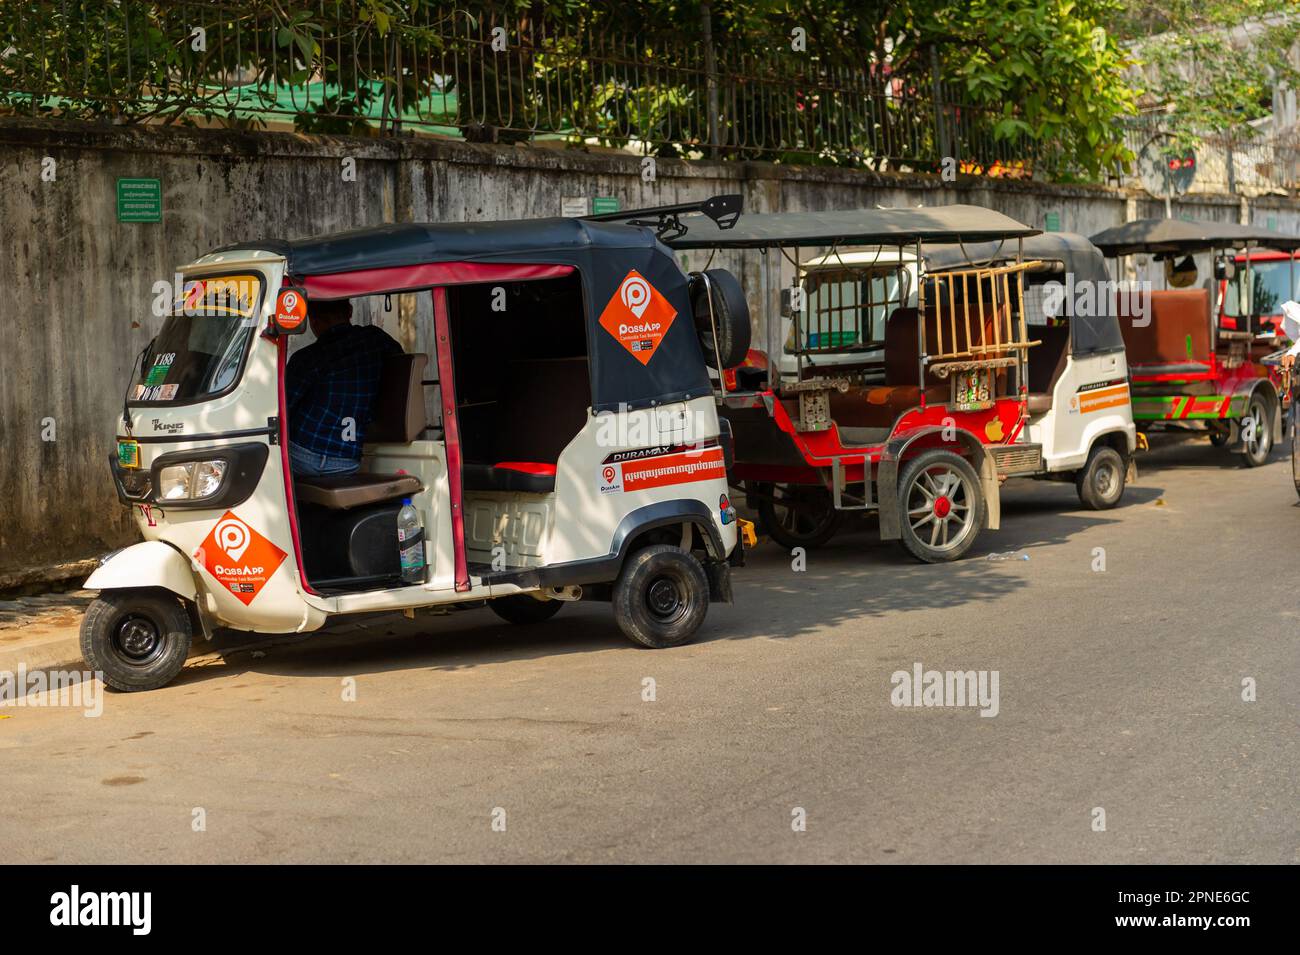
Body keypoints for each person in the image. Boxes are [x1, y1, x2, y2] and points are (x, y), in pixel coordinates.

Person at [285, 298, 403, 477]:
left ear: (313, 321)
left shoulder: (307, 358)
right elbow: (399, 362)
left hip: (304, 457)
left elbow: (283, 407)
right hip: (348, 461)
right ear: (350, 311)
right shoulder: (376, 339)